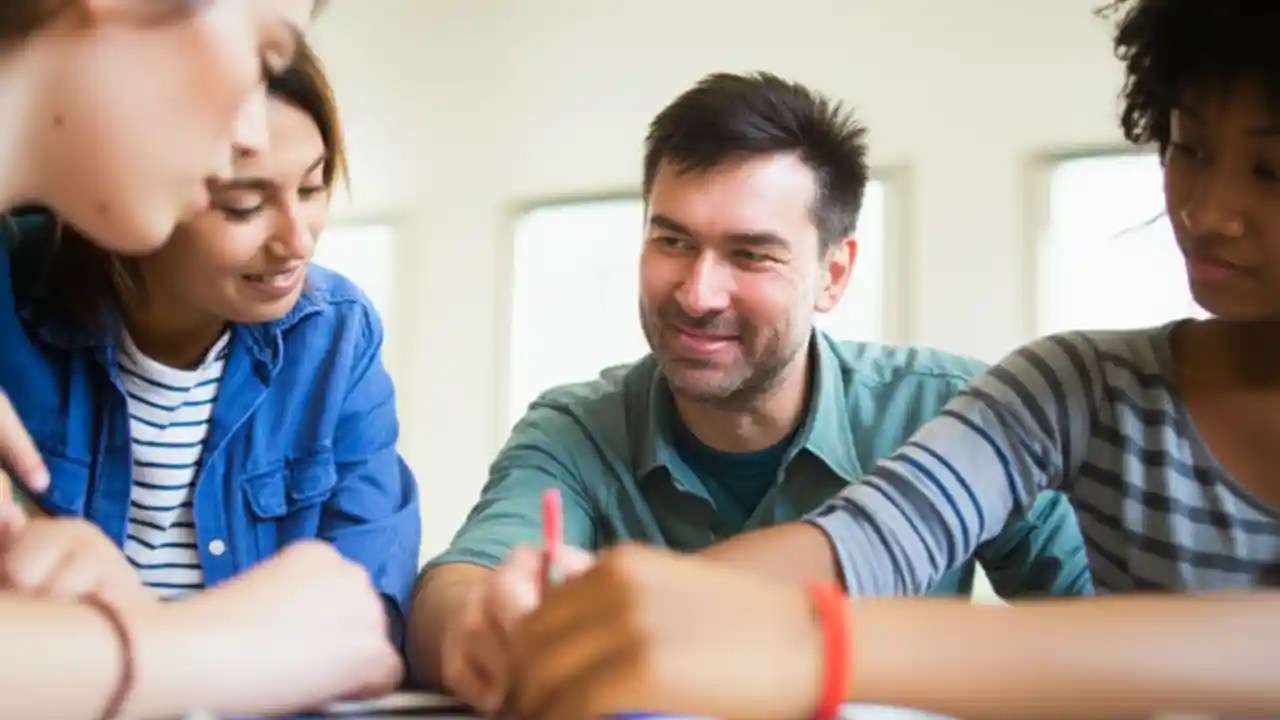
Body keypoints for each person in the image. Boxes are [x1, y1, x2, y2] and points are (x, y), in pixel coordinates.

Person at [502, 1, 1280, 718]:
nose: (1207, 212)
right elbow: (864, 543)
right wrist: (607, 613)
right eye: (1189, 149)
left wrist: (817, 648)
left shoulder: (929, 392)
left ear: (833, 272)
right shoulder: (1075, 390)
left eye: (1270, 171)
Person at [407, 71, 1091, 710]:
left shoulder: (955, 413)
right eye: (671, 241)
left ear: (834, 273)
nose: (698, 294)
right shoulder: (575, 430)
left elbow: (1097, 630)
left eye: (751, 255)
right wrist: (479, 624)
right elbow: (457, 589)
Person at [0, 2, 402, 717]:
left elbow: (364, 619)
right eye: (261, 50)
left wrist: (87, 637)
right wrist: (187, 649)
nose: (240, 132)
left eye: (312, 188)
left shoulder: (338, 334)